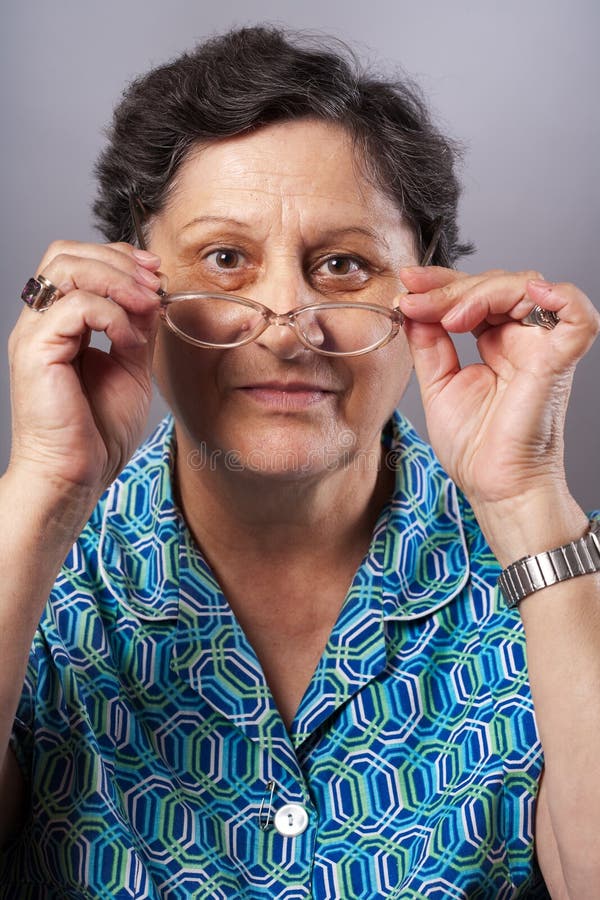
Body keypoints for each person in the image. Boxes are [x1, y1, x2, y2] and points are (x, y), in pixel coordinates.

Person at [0, 24, 599, 899]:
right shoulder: (30, 573)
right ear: (132, 286)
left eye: (344, 265)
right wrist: (44, 493)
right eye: (225, 259)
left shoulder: (560, 583)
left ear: (426, 296)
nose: (288, 321)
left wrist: (527, 496)